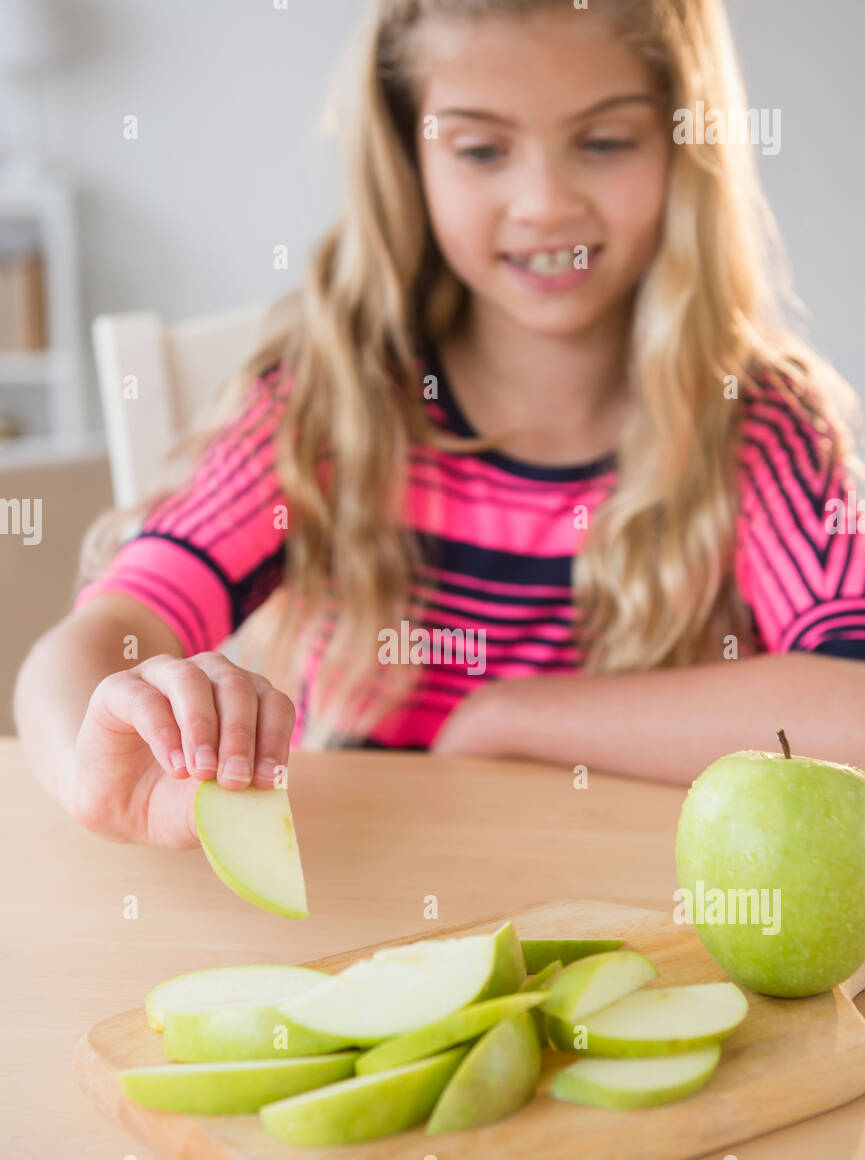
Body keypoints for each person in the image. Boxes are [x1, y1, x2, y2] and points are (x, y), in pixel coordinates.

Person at [14, 0, 865, 852]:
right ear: (407, 159)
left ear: (685, 143)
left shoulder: (759, 425)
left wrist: (511, 717)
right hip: (361, 923)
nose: (542, 205)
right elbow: (97, 639)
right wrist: (99, 751)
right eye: (481, 149)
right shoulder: (330, 406)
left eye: (604, 142)